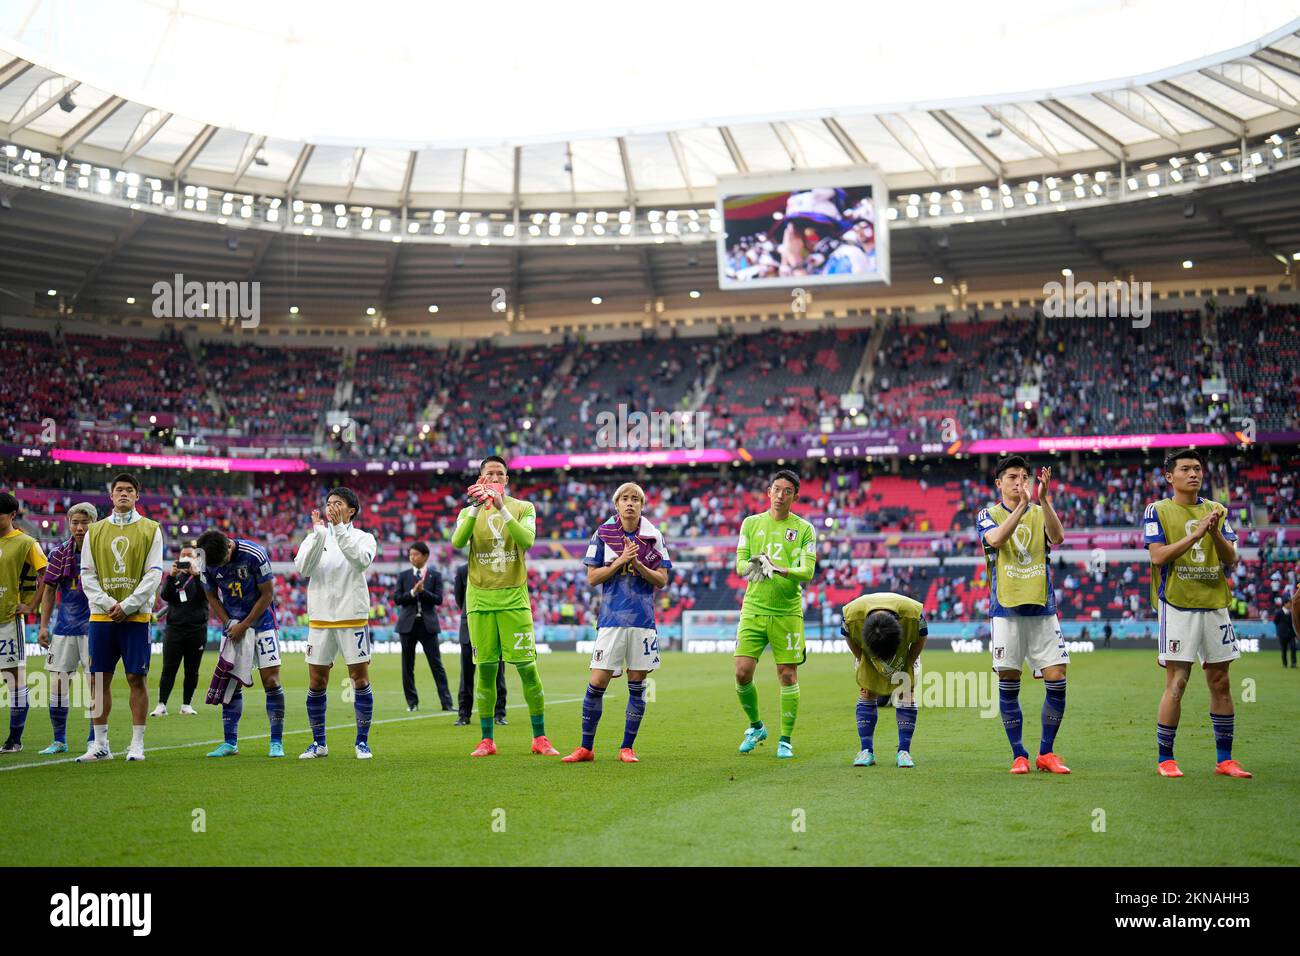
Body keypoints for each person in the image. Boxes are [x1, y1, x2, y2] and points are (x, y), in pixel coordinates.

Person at [1143, 448, 1250, 778]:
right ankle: (1166, 759)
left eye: (1198, 469)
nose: (1194, 474)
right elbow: (1158, 557)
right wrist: (1195, 534)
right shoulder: (1157, 510)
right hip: (1177, 606)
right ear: (1169, 476)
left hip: (1214, 604)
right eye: (1186, 469)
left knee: (1221, 682)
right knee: (1178, 682)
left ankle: (1224, 760)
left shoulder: (1216, 510)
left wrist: (1214, 531)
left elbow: (1231, 558)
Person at [450, 455, 557, 757]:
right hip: (481, 601)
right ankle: (487, 740)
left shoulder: (523, 508)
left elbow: (528, 541)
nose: (495, 479)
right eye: (489, 474)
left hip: (514, 599)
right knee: (484, 671)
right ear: (481, 478)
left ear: (507, 480)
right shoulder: (467, 511)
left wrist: (501, 509)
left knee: (527, 668)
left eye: (500, 474)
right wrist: (475, 508)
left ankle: (540, 738)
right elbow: (457, 542)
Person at [976, 456, 1071, 775]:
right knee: (1009, 678)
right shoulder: (987, 514)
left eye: (1025, 477)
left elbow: (1057, 538)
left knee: (1057, 676)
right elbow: (995, 540)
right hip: (1006, 608)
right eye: (1013, 477)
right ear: (998, 483)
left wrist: (1043, 502)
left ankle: (1047, 752)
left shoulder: (1039, 509)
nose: (1020, 482)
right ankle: (1019, 754)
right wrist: (1021, 507)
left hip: (1043, 608)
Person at [563, 482, 670, 763]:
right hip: (611, 620)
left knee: (637, 683)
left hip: (643, 622)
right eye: (625, 498)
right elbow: (592, 578)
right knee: (597, 681)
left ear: (642, 506)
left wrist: (640, 567)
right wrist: (620, 561)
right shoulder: (603, 533)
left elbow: (662, 579)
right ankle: (586, 747)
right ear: (617, 505)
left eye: (636, 499)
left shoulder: (653, 536)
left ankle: (627, 748)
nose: (630, 503)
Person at [76, 473, 165, 763]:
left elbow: (154, 573)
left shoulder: (152, 529)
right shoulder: (95, 530)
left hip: (136, 617)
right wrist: (107, 603)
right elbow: (86, 574)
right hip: (102, 617)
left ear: (137, 495)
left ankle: (136, 744)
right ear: (111, 496)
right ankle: (100, 744)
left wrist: (128, 604)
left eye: (129, 490)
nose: (124, 494)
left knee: (135, 677)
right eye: (119, 490)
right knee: (98, 680)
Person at [732, 470, 817, 759]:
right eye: (777, 489)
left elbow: (807, 572)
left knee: (788, 675)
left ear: (795, 496)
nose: (781, 495)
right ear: (768, 492)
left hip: (787, 612)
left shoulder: (804, 529)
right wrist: (758, 564)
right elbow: (740, 566)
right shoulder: (751, 523)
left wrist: (779, 569)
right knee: (742, 672)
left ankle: (785, 739)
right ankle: (756, 727)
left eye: (787, 491)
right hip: (753, 609)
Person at [293, 487, 378, 759]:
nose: (331, 507)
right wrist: (319, 536)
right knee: (316, 681)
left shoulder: (364, 538)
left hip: (352, 617)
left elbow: (360, 561)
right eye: (329, 503)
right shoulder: (314, 536)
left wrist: (339, 529)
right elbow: (303, 569)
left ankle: (362, 742)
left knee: (358, 679)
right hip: (319, 619)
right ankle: (319, 743)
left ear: (351, 510)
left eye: (337, 503)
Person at [196, 529, 285, 758]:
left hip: (262, 623)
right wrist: (229, 624)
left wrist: (244, 625)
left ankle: (276, 742)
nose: (221, 567)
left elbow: (267, 595)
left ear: (228, 545)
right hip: (233, 626)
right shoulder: (205, 559)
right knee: (230, 684)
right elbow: (211, 596)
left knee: (271, 681)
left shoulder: (254, 553)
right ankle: (230, 743)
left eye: (224, 561)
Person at [36, 502, 97, 754]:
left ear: (94, 523)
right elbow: (49, 591)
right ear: (69, 524)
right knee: (58, 684)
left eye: (84, 522)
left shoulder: (102, 552)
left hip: (96, 627)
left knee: (96, 684)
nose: (80, 528)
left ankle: (96, 740)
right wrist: (43, 626)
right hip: (64, 628)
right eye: (75, 522)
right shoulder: (58, 553)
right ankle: (59, 740)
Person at [840, 592, 927, 768]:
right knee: (866, 690)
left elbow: (922, 637)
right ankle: (866, 751)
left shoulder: (913, 613)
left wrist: (909, 661)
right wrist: (863, 660)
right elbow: (849, 638)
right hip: (868, 652)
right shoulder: (851, 615)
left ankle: (904, 751)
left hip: (903, 652)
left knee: (906, 691)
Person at [0, 492, 48, 754]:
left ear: (12, 516)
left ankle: (14, 739)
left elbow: (47, 575)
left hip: (7, 621)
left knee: (13, 680)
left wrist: (31, 606)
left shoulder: (26, 542)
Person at [394, 542, 452, 712]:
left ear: (425, 556)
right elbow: (397, 599)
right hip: (407, 627)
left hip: (428, 626)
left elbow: (439, 600)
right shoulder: (404, 575)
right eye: (411, 554)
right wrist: (412, 592)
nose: (412, 557)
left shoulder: (435, 575)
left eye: (416, 554)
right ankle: (412, 703)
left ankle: (446, 703)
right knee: (407, 666)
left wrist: (422, 592)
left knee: (437, 665)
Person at [151, 545, 208, 718]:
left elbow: (207, 595)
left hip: (197, 630)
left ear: (196, 558)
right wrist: (171, 576)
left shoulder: (203, 577)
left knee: (192, 669)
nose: (185, 558)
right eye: (182, 555)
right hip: (174, 629)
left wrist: (197, 575)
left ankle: (186, 704)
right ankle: (161, 704)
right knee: (169, 668)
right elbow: (166, 596)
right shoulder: (176, 576)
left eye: (189, 555)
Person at [453, 562, 506, 727]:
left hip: (493, 626)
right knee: (467, 675)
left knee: (498, 673)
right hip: (469, 628)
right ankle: (464, 715)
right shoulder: (463, 570)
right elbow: (459, 599)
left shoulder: (497, 567)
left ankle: (499, 714)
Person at [1275, 598, 1296, 668]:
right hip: (1282, 634)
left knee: (1293, 647)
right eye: (1289, 603)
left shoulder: (1292, 612)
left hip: (1291, 634)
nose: (1290, 604)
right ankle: (1284, 664)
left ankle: (1293, 663)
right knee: (1283, 649)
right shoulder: (1279, 612)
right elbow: (1276, 621)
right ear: (1285, 604)